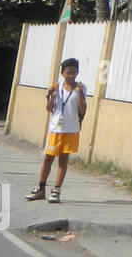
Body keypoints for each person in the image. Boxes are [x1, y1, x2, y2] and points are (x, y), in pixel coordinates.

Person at [25, 59, 88, 205]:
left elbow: (82, 108)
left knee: (63, 159)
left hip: (71, 129)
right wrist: (51, 95)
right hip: (55, 128)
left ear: (77, 73)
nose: (71, 76)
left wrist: (78, 93)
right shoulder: (57, 87)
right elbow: (49, 108)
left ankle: (56, 190)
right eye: (68, 73)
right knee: (48, 158)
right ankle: (40, 188)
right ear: (62, 73)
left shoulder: (81, 88)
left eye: (74, 72)